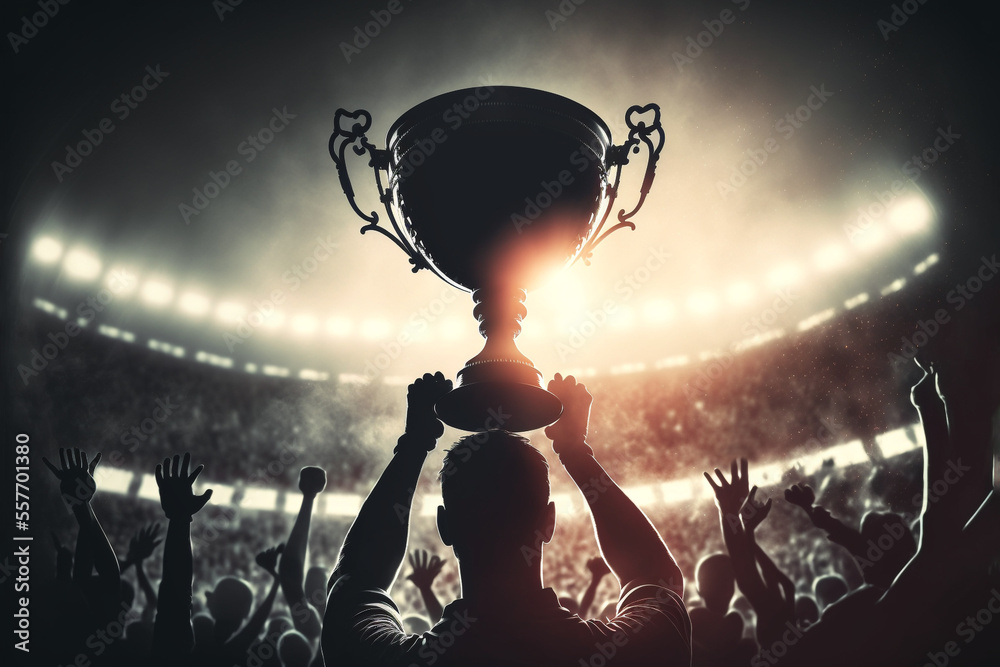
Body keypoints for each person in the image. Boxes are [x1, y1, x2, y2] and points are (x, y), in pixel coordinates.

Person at [322, 372, 691, 666]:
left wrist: (414, 444)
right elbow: (656, 579)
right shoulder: (620, 655)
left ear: (445, 527)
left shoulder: (393, 660)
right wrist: (576, 453)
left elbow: (354, 583)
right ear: (549, 523)